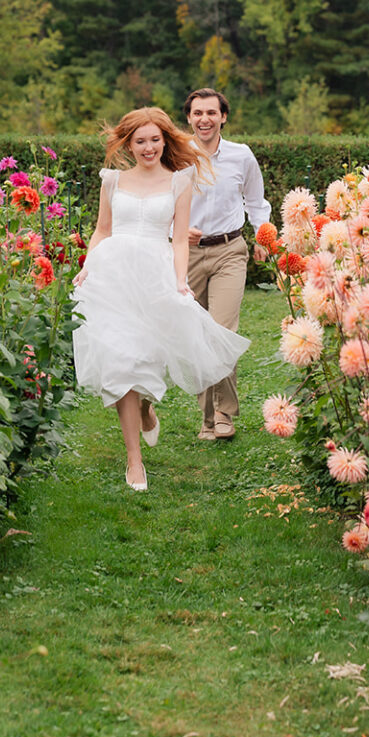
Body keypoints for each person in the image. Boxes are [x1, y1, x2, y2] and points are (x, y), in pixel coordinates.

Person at [72, 107, 250, 492]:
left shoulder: (178, 182)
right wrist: (87, 266)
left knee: (146, 360)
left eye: (155, 140)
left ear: (165, 141)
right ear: (129, 144)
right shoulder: (112, 181)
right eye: (141, 141)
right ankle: (134, 462)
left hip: (155, 273)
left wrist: (179, 281)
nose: (149, 147)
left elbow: (180, 239)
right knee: (121, 360)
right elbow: (103, 230)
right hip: (113, 274)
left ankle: (146, 410)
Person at [184, 87, 271, 442]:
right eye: (197, 113)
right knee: (199, 335)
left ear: (223, 117)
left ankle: (224, 413)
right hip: (186, 255)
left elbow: (256, 199)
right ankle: (206, 418)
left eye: (211, 113)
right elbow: (158, 198)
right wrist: (175, 230)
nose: (204, 119)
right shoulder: (175, 155)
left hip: (229, 250)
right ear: (189, 118)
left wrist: (263, 235)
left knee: (222, 331)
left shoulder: (241, 155)